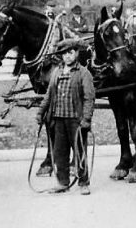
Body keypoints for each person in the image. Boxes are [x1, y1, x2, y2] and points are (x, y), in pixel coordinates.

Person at [37, 37, 95, 195]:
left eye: (70, 53)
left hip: (76, 121)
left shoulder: (84, 73)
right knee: (59, 153)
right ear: (61, 56)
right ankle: (63, 182)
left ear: (76, 53)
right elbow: (49, 95)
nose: (67, 56)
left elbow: (89, 98)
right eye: (64, 54)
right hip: (58, 120)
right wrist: (41, 112)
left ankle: (83, 182)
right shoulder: (56, 72)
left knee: (79, 152)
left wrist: (86, 119)